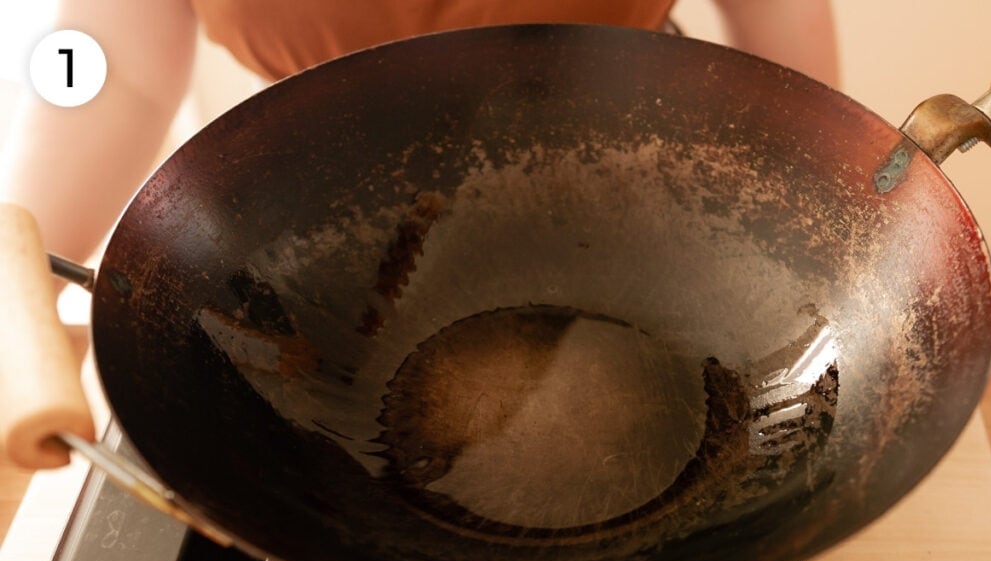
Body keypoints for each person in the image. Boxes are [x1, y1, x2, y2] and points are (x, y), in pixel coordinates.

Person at [0, 0, 838, 469]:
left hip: (622, 176)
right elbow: (111, 61)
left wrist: (831, 217)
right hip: (325, 225)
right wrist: (16, 249)